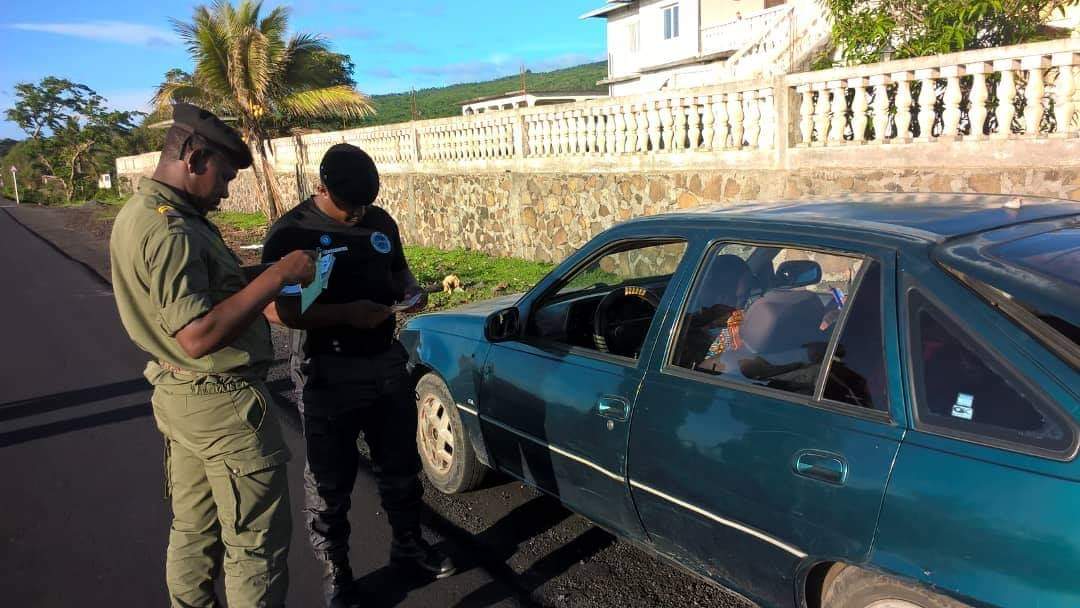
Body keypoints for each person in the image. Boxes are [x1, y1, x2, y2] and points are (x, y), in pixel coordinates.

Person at [110, 103, 315, 608]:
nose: (224, 192)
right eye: (223, 177)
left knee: (193, 529)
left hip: (182, 397)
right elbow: (197, 335)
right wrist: (278, 277)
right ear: (195, 158)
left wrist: (258, 275)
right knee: (255, 545)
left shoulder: (145, 213)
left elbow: (201, 291)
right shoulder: (171, 231)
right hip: (222, 405)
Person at [262, 143, 456, 608]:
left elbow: (400, 274)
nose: (357, 214)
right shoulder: (292, 232)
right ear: (321, 187)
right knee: (329, 482)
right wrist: (347, 313)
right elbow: (275, 309)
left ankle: (408, 546)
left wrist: (412, 292)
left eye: (364, 205)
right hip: (325, 371)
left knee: (401, 466)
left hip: (385, 362)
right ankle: (338, 575)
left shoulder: (380, 222)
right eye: (348, 205)